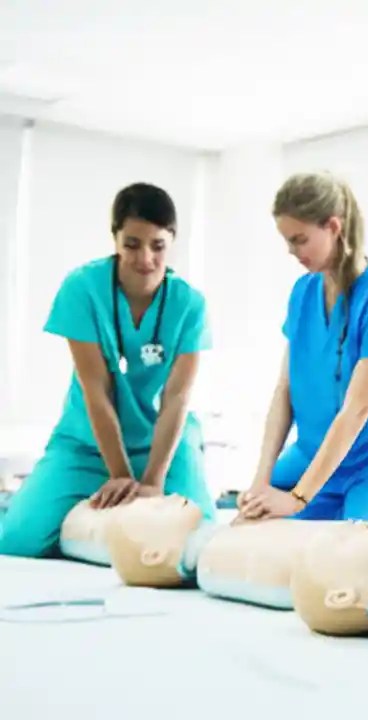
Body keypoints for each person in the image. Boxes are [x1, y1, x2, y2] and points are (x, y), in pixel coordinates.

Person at [0, 183, 214, 557]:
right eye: (132, 244)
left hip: (163, 446)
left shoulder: (190, 304)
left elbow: (177, 397)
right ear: (115, 238)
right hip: (86, 443)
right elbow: (95, 390)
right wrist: (119, 475)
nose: (145, 258)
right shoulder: (82, 288)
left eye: (157, 245)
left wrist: (151, 484)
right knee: (17, 540)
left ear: (172, 242)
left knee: (200, 543)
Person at [236, 172, 368, 540]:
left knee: (352, 556)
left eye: (300, 240)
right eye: (287, 242)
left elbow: (356, 409)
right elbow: (284, 391)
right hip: (313, 454)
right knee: (245, 534)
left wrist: (297, 498)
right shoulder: (303, 292)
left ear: (334, 227)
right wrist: (261, 481)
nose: (293, 252)